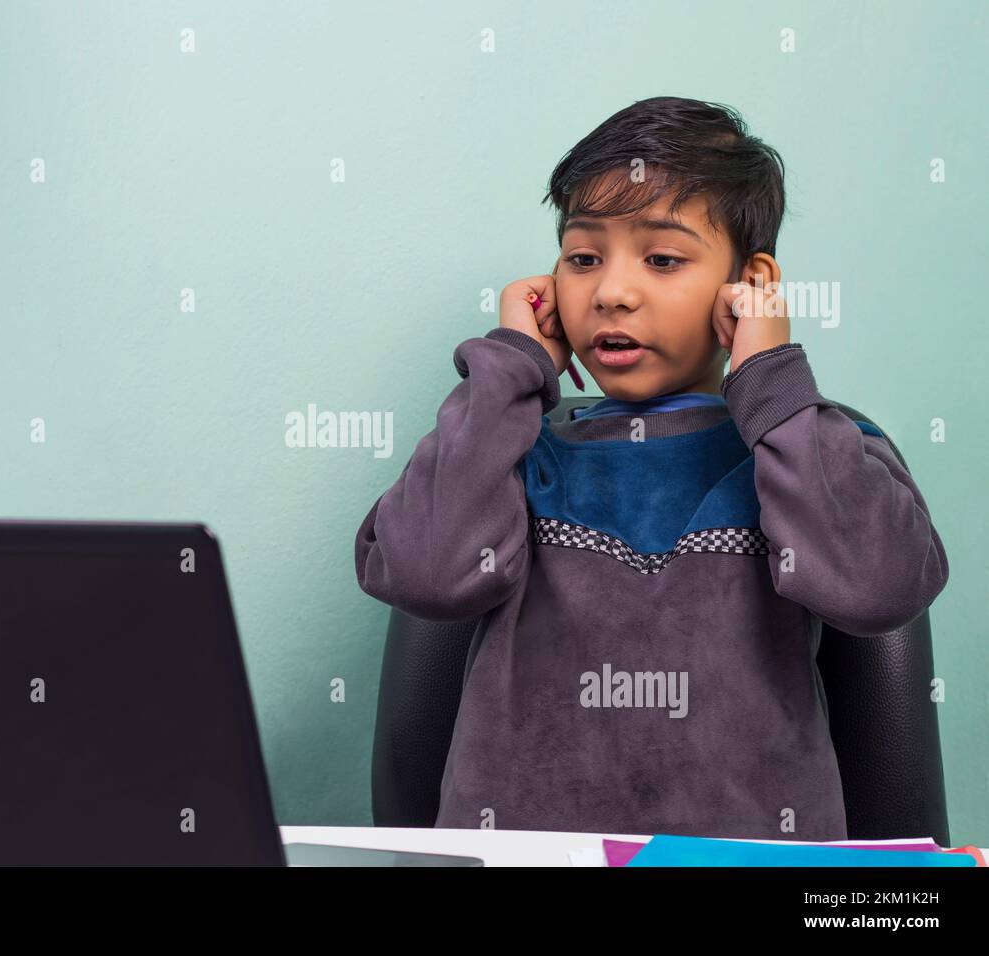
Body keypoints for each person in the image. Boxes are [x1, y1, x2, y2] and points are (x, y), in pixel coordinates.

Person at [353, 96, 949, 840]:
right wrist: (508, 370)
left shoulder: (816, 444)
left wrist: (769, 375)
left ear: (750, 285)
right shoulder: (514, 453)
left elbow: (882, 585)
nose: (611, 292)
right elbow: (419, 573)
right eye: (582, 257)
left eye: (662, 258)